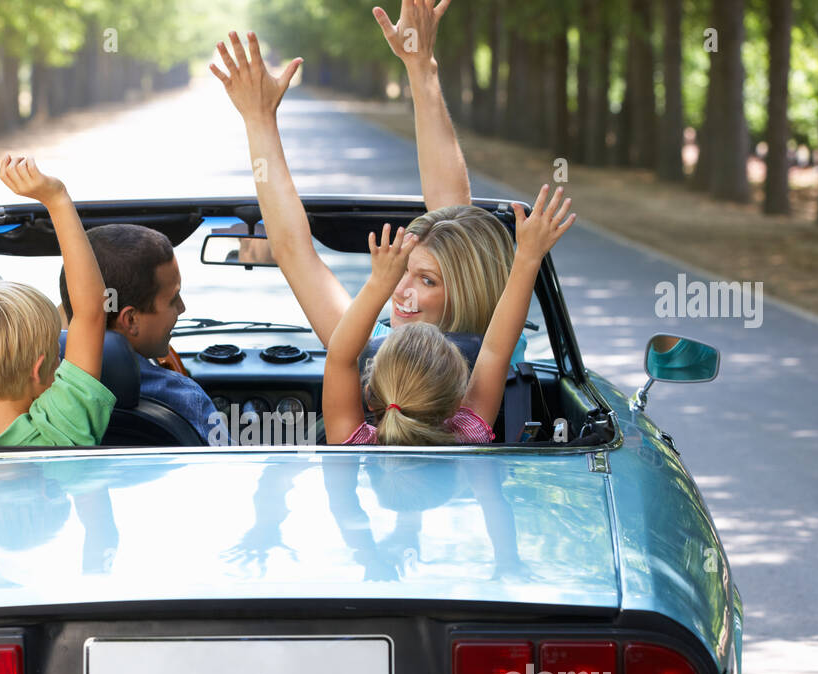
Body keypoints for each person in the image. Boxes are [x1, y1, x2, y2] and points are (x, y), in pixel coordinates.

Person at [210, 6, 528, 364]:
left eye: (427, 281)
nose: (401, 291)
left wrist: (259, 121)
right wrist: (420, 66)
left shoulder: (364, 350)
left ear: (469, 290)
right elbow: (454, 216)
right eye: (402, 270)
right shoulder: (495, 352)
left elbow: (294, 251)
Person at [324, 185, 575, 446]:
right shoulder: (468, 436)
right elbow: (494, 351)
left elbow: (340, 356)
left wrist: (379, 283)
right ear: (456, 399)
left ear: (368, 394)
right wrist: (528, 257)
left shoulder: (353, 444)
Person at [0, 138, 114, 447]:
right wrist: (56, 199)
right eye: (58, 354)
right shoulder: (62, 428)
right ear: (38, 368)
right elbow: (90, 312)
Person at [57, 223, 219, 444]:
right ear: (131, 320)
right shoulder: (186, 399)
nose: (182, 308)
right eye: (173, 299)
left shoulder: (35, 394)